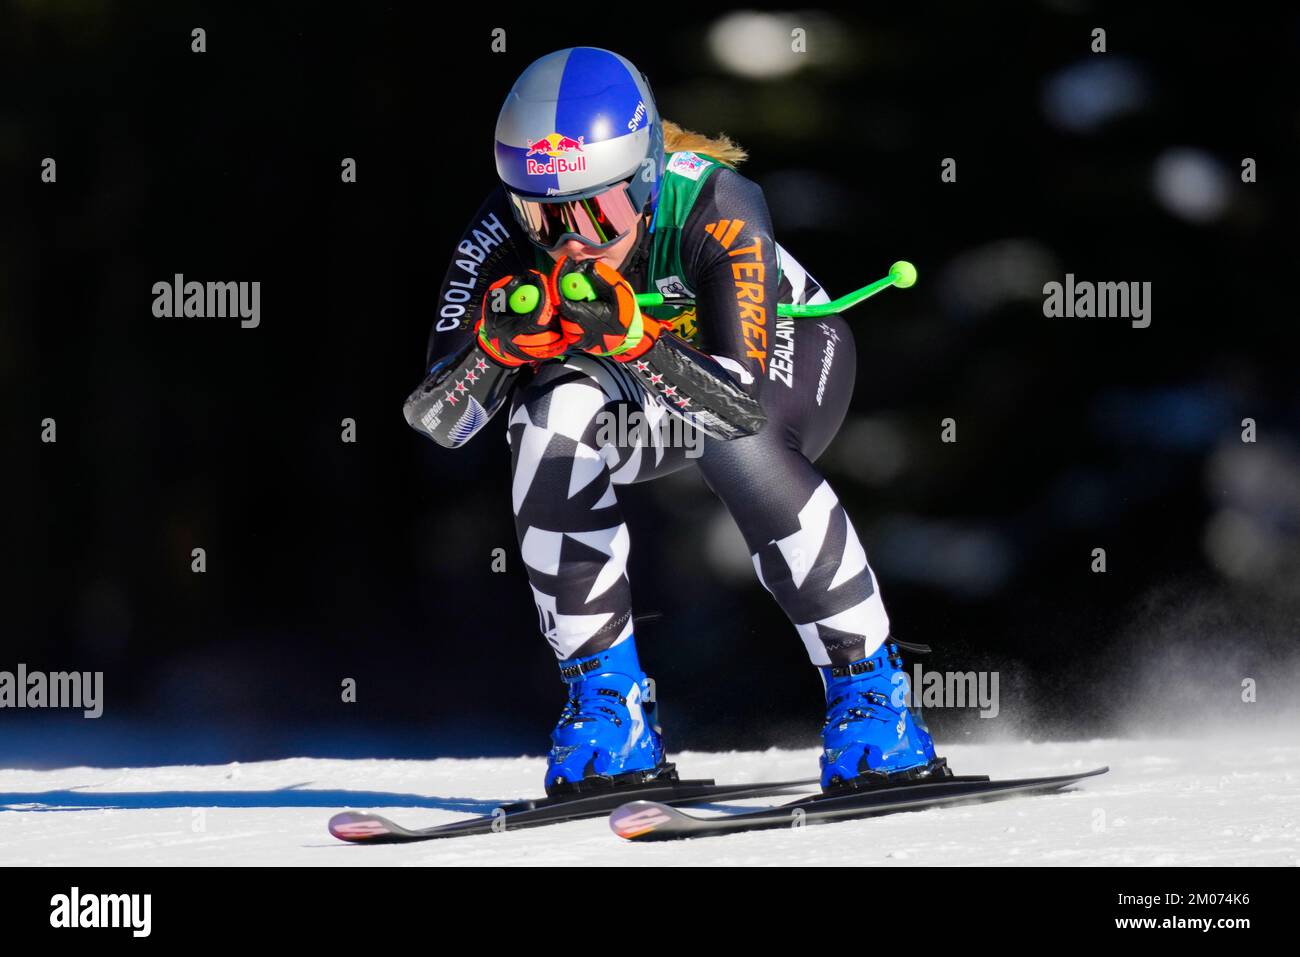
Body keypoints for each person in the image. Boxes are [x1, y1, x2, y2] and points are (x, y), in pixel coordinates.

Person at [404, 47, 944, 795]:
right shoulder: (498, 232)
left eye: (599, 211)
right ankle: (608, 704)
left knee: (733, 440)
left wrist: (632, 336)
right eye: (543, 214)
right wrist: (493, 350)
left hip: (782, 357)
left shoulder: (718, 204)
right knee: (545, 420)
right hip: (645, 385)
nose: (572, 243)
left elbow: (735, 400)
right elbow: (442, 420)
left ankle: (872, 693)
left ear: (648, 180)